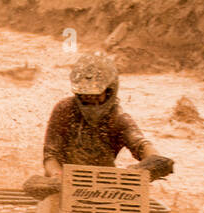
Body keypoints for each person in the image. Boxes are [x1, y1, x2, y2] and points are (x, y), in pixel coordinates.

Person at [42, 52, 172, 180]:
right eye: (85, 95)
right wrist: (57, 176)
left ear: (110, 91)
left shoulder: (117, 118)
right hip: (64, 181)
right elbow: (51, 155)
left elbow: (141, 144)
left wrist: (153, 162)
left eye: (96, 95)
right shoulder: (65, 110)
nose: (91, 99)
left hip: (106, 183)